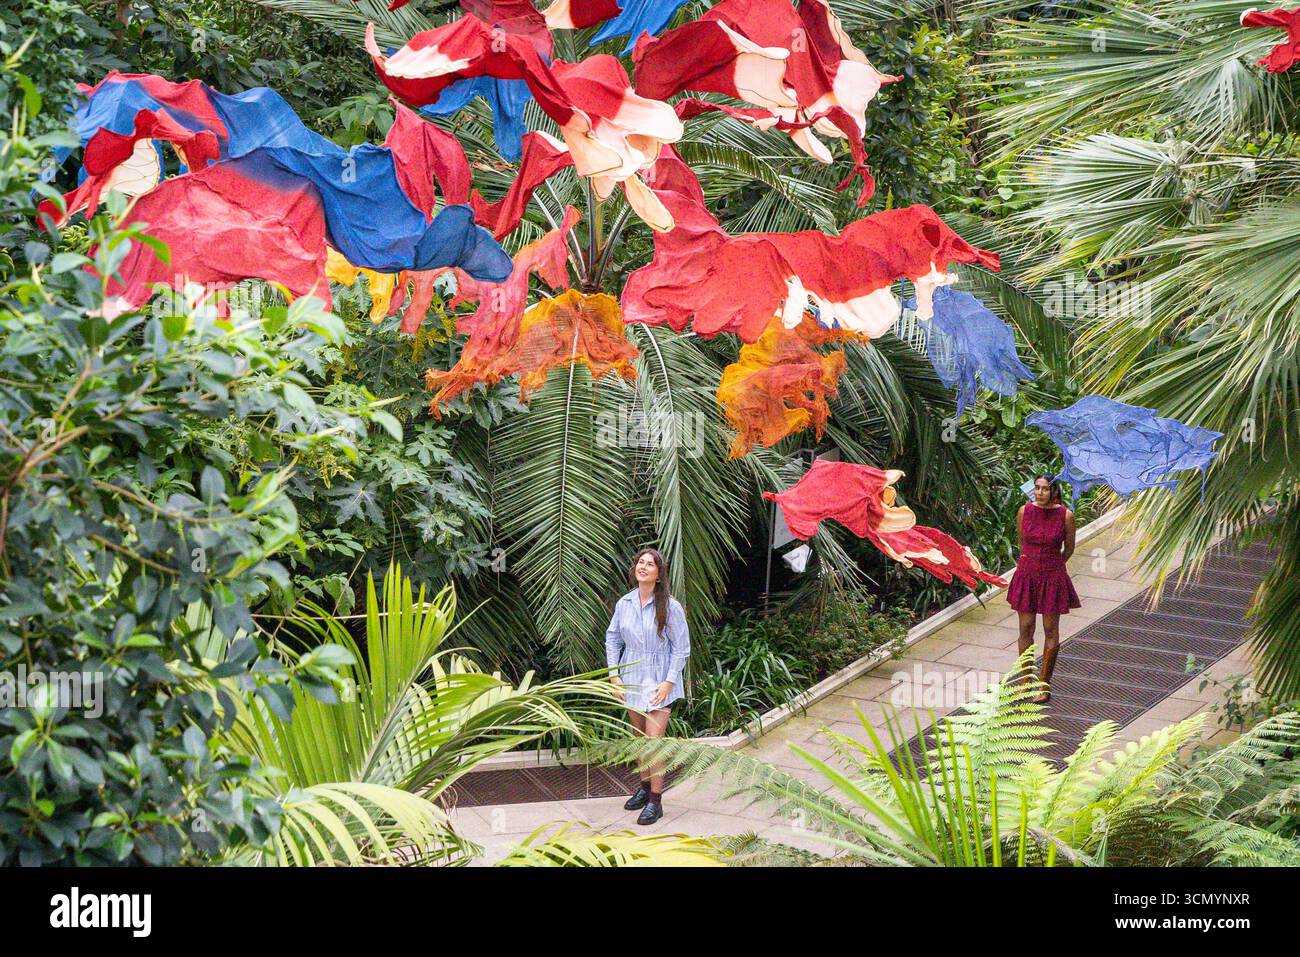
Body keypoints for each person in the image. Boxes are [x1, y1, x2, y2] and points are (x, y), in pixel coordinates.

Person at [604, 547, 690, 825]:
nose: (643, 567)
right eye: (640, 563)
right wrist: (614, 675)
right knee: (638, 739)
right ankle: (643, 790)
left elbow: (682, 649)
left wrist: (668, 682)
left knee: (655, 744)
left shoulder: (670, 606)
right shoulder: (624, 603)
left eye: (650, 564)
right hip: (631, 679)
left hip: (658, 682)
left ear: (658, 573)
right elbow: (612, 639)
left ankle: (656, 800)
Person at [1007, 475, 1080, 703]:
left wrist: (1053, 564)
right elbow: (1021, 540)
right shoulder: (1024, 511)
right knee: (1026, 627)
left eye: (1045, 489)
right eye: (1037, 488)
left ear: (1053, 491)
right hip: (1026, 573)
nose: (1039, 493)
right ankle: (1024, 681)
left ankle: (1044, 684)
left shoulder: (1065, 516)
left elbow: (1069, 549)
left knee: (1050, 629)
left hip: (1052, 575)